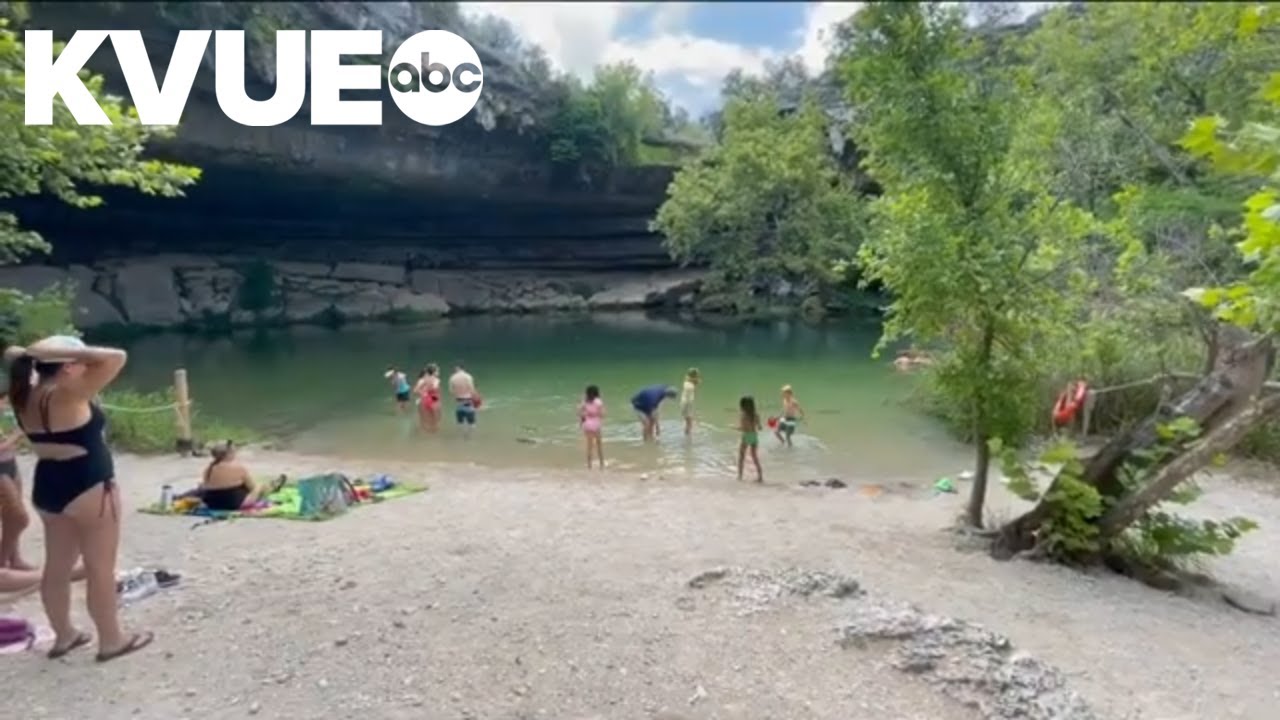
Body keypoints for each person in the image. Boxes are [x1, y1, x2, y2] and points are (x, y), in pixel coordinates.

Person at [5, 335, 152, 662]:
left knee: (56, 567)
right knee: (100, 568)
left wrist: (41, 352)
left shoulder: (23, 394)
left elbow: (16, 354)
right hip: (88, 483)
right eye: (77, 363)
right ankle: (111, 640)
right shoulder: (70, 393)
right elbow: (117, 355)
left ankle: (64, 636)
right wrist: (77, 351)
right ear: (68, 366)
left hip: (48, 484)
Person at [190, 440, 284, 511]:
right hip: (233, 504)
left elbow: (207, 485)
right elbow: (252, 488)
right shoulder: (239, 468)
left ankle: (271, 486)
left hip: (212, 503)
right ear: (229, 454)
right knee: (259, 486)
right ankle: (272, 487)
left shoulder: (208, 469)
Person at [0, 392, 33, 570]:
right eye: (3, 399)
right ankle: (2, 560)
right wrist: (19, 434)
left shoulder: (6, 413)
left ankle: (15, 559)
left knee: (10, 516)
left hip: (11, 463)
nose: (5, 403)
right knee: (19, 518)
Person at [737, 395, 763, 483]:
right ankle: (760, 476)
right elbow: (760, 427)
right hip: (754, 436)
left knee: (741, 457)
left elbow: (743, 428)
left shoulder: (744, 415)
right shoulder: (756, 415)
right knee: (755, 457)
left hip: (746, 436)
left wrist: (734, 427)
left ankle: (739, 476)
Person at [579, 385, 606, 469]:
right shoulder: (598, 402)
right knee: (599, 445)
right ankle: (601, 465)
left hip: (587, 424)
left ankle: (589, 465)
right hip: (596, 424)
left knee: (589, 446)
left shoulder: (584, 402)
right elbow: (602, 414)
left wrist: (584, 418)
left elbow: (579, 413)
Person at [448, 363, 480, 433]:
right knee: (472, 423)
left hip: (459, 403)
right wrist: (477, 401)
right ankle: (470, 438)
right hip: (468, 402)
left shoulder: (452, 378)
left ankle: (461, 438)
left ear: (457, 368)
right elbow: (472, 389)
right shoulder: (468, 377)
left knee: (460, 423)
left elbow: (451, 391)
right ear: (463, 368)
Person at [414, 364, 442, 433]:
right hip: (433, 398)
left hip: (424, 399)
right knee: (436, 419)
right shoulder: (436, 380)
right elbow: (434, 389)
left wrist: (424, 394)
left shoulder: (423, 379)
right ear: (434, 372)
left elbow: (415, 390)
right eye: (437, 371)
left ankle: (425, 436)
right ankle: (434, 436)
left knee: (424, 419)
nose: (438, 372)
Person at [680, 368, 700, 437]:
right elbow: (694, 387)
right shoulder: (691, 385)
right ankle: (688, 438)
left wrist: (695, 381)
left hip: (683, 403)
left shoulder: (686, 382)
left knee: (688, 422)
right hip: (687, 404)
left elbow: (690, 379)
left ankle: (687, 435)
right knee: (690, 423)